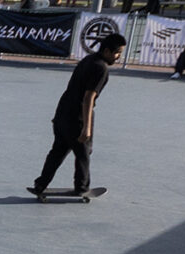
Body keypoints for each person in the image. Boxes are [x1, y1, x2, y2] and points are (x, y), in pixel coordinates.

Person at [31, 30, 124, 197]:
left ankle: (41, 184)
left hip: (62, 113)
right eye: (117, 53)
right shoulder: (101, 68)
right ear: (107, 51)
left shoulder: (87, 60)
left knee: (58, 151)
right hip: (77, 117)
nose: (118, 57)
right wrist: (86, 128)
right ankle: (82, 188)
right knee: (83, 153)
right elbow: (88, 97)